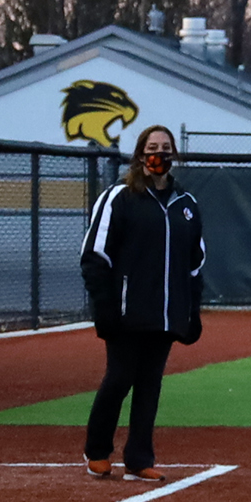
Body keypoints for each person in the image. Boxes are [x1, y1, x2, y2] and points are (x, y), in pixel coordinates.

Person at [79, 125, 205, 481]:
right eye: (152, 148)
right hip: (125, 312)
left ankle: (138, 458)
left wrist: (191, 311)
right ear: (140, 154)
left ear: (174, 154)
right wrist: (104, 308)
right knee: (120, 378)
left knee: (150, 384)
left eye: (165, 148)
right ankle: (96, 450)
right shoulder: (118, 197)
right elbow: (95, 255)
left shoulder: (186, 204)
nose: (159, 154)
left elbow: (195, 264)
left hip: (165, 315)